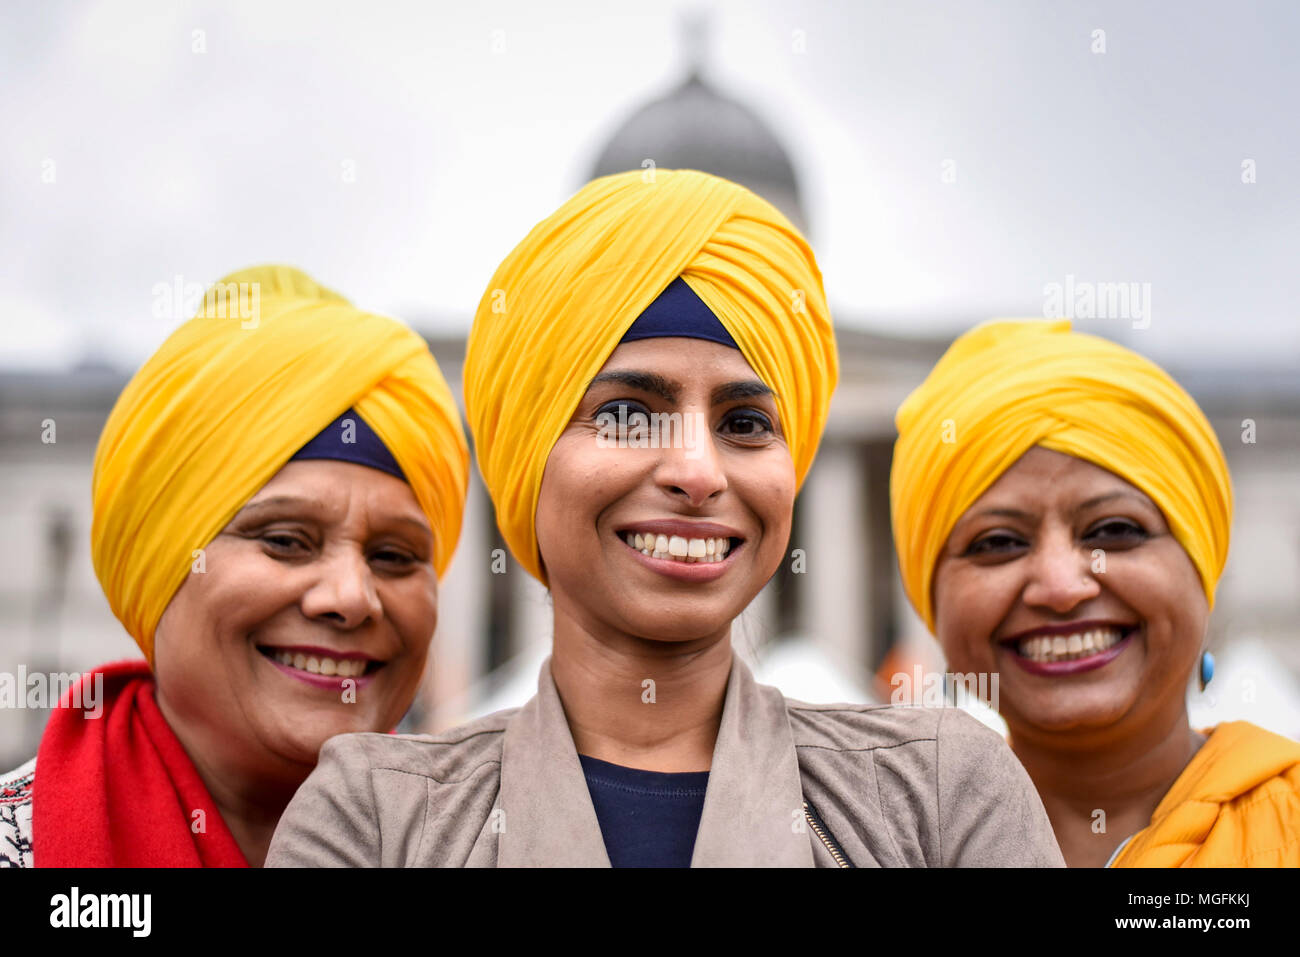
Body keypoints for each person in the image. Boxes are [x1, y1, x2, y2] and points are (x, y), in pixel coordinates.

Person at [267, 170, 1063, 868]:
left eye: (746, 422)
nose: (696, 471)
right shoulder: (374, 816)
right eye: (625, 414)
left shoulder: (944, 791)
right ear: (524, 453)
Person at [0, 265, 468, 867]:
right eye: (284, 540)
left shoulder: (498, 844)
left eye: (393, 557)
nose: (352, 596)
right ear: (159, 564)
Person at [890, 318, 1300, 867]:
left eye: (1114, 531)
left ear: (1202, 564)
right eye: (998, 542)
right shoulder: (869, 845)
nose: (1060, 588)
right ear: (931, 597)